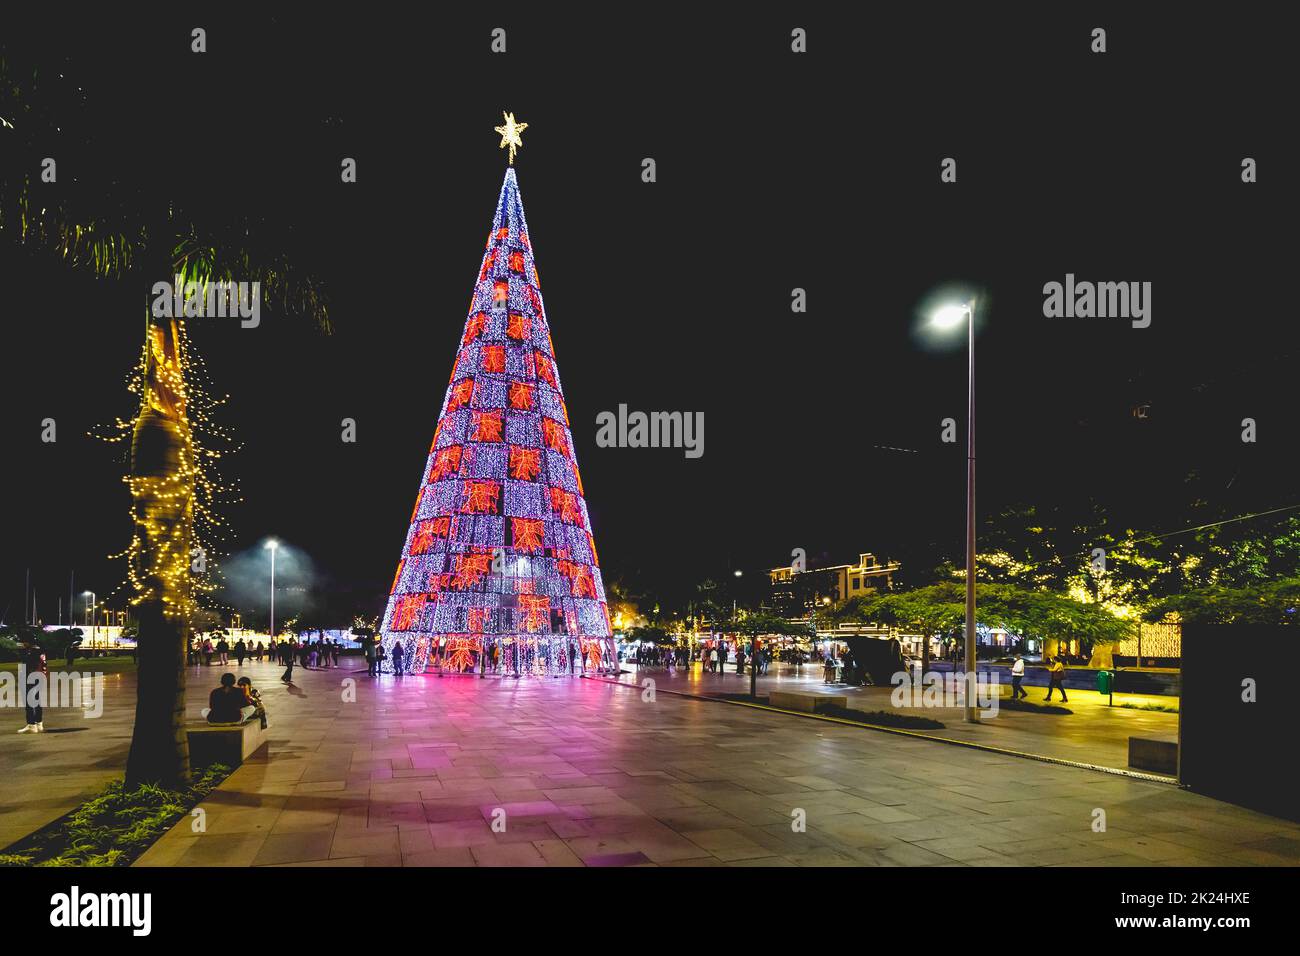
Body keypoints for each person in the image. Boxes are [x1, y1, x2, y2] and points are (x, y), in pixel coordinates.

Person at [17, 641, 48, 733]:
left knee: (28, 701)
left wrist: (23, 651)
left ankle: (31, 724)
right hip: (38, 676)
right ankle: (39, 723)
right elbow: (44, 664)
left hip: (29, 677)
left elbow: (26, 662)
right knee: (37, 700)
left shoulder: (30, 651)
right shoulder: (39, 650)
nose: (22, 644)